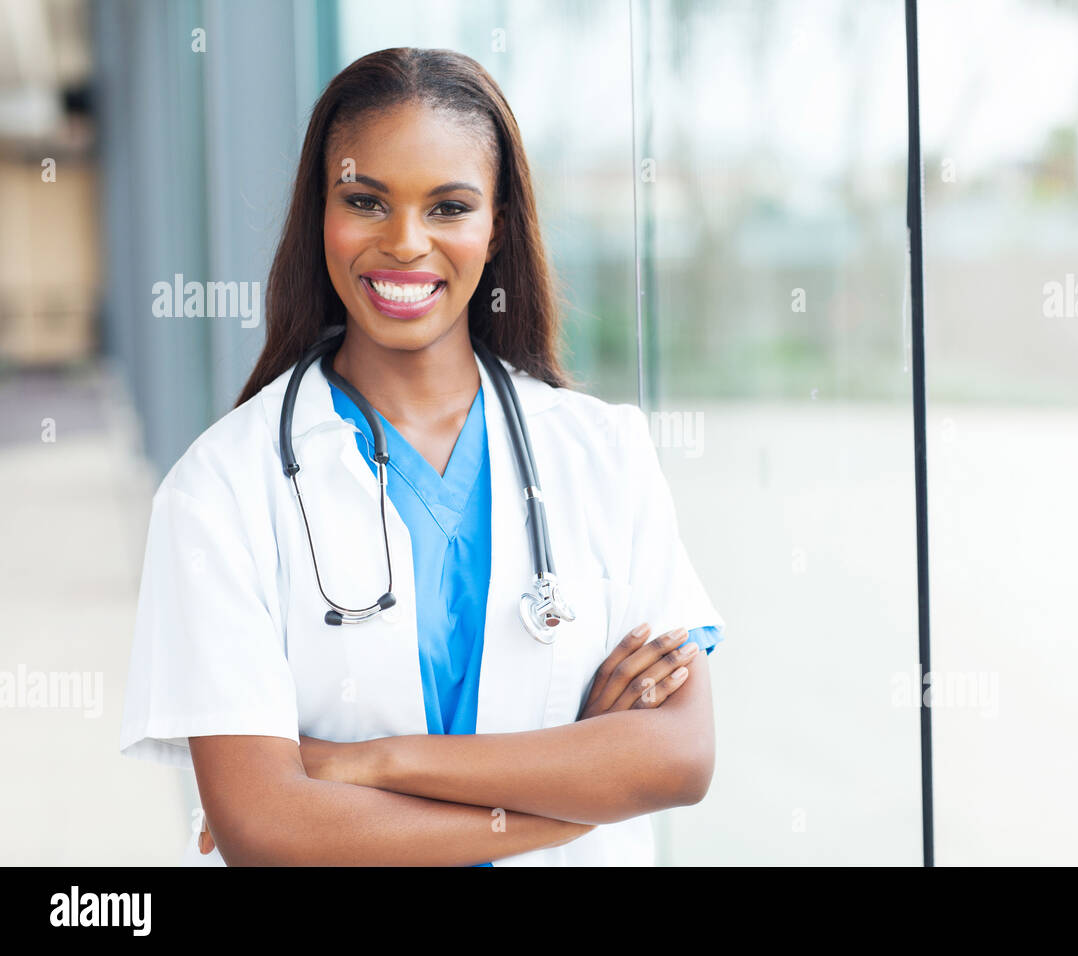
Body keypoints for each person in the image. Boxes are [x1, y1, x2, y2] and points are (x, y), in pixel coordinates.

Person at [118, 47, 726, 866]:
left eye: (449, 208)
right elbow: (265, 830)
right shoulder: (220, 489)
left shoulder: (603, 455)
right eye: (366, 201)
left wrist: (367, 763)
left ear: (497, 226)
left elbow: (679, 758)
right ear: (320, 212)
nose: (405, 244)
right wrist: (577, 799)